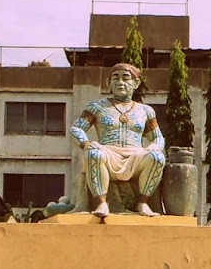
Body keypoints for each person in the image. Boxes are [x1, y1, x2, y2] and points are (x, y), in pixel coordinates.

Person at [70, 63, 165, 217]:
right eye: (116, 78)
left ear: (136, 83)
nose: (120, 82)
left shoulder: (145, 111)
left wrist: (155, 146)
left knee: (157, 157)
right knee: (93, 154)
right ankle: (101, 203)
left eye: (126, 78)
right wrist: (86, 144)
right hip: (108, 153)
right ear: (109, 83)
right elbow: (76, 129)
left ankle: (143, 203)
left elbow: (158, 137)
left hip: (136, 156)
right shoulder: (97, 106)